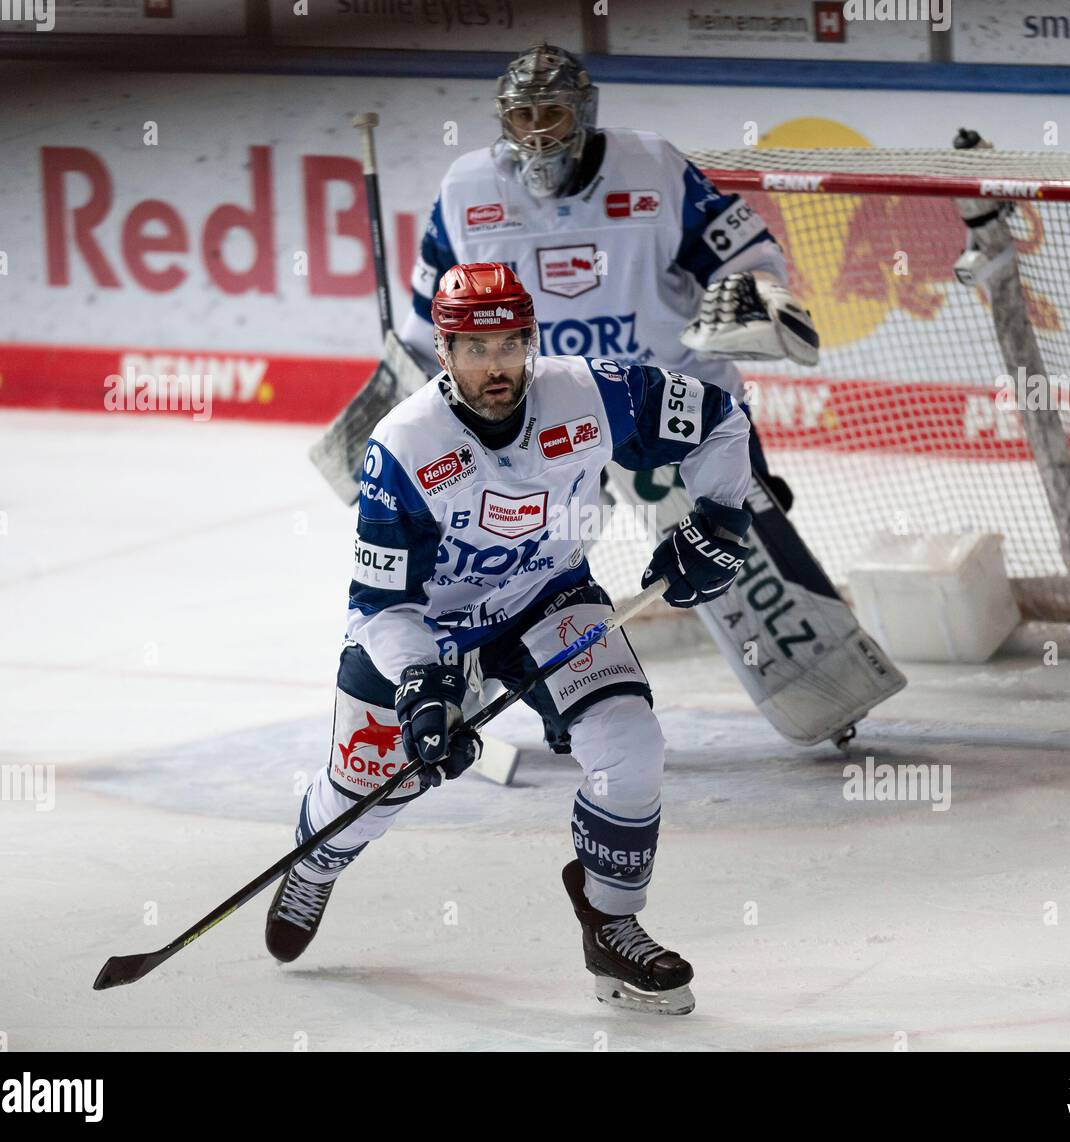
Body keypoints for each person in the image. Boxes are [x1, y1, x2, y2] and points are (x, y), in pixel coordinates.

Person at [266, 263, 754, 1015]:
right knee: (369, 793)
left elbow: (721, 416)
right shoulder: (401, 447)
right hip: (426, 629)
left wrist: (720, 518)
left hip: (547, 598)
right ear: (444, 351)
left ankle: (610, 922)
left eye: (509, 346)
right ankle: (319, 861)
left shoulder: (594, 393)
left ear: (532, 341)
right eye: (474, 349)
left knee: (631, 747)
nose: (495, 367)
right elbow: (379, 604)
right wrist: (423, 689)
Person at [397, 41, 818, 506]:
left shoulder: (651, 165)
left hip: (675, 393)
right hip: (551, 409)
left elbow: (742, 254)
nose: (537, 134)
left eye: (552, 113)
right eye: (523, 116)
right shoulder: (466, 189)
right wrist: (398, 412)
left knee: (742, 551)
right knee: (533, 559)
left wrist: (766, 291)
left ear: (583, 113)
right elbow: (428, 321)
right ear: (505, 119)